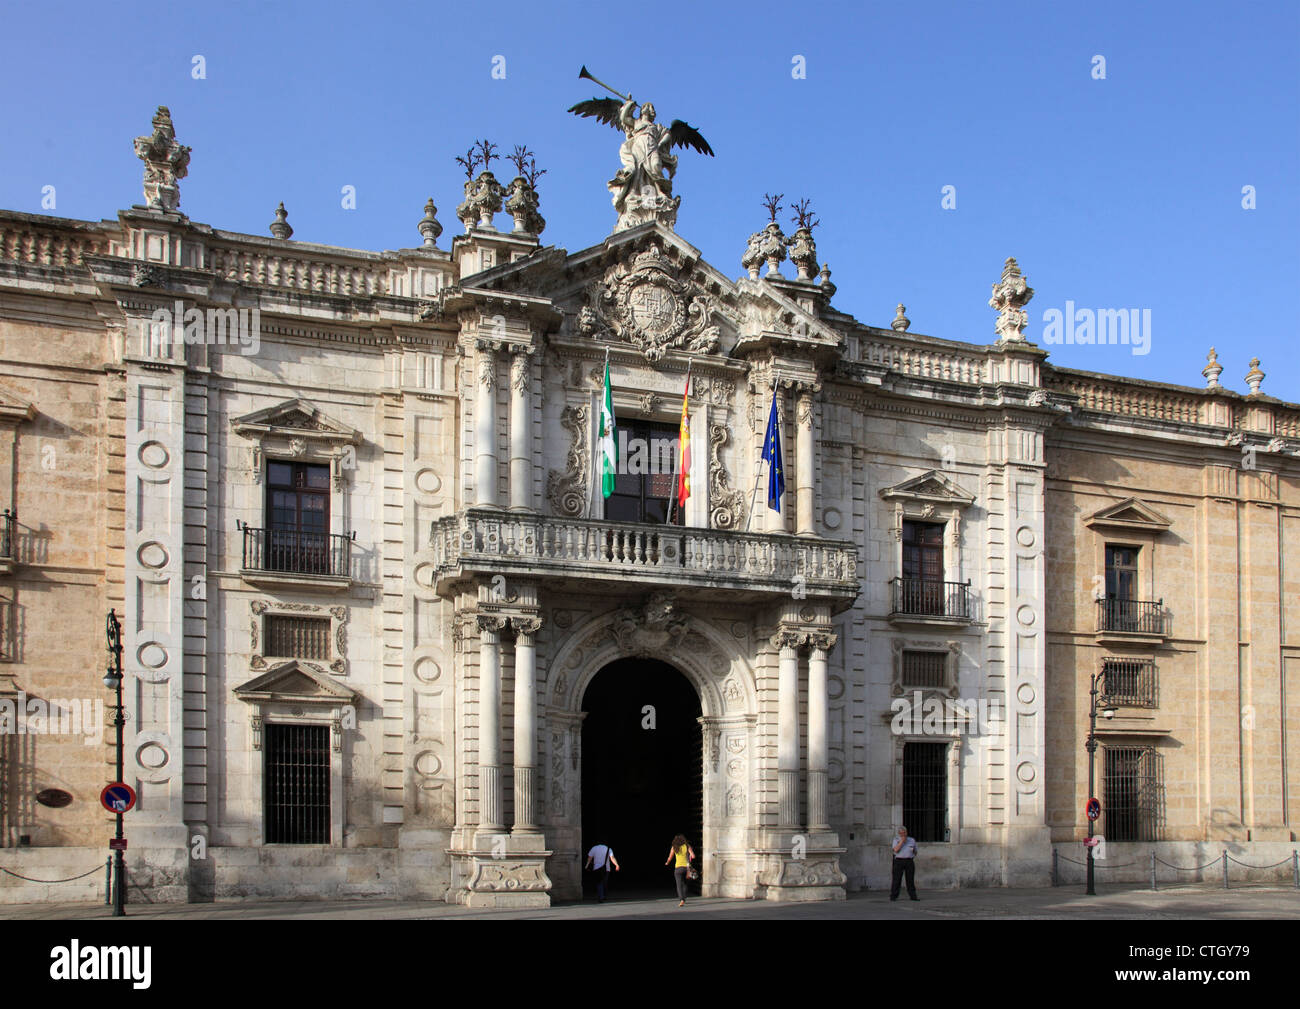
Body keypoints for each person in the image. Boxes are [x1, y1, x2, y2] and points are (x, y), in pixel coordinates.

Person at [664, 833, 696, 907]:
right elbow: (693, 856)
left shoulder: (674, 847)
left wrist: (667, 862)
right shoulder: (687, 846)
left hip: (678, 868)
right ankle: (684, 897)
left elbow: (670, 857)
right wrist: (690, 856)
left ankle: (681, 899)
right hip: (687, 868)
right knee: (685, 884)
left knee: (679, 885)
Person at [890, 826, 919, 901]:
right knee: (897, 879)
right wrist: (902, 841)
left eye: (904, 833)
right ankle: (894, 896)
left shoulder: (911, 840)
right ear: (899, 833)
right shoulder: (896, 840)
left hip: (909, 861)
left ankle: (913, 896)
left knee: (910, 879)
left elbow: (915, 852)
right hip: (898, 861)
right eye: (901, 833)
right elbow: (895, 850)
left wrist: (913, 851)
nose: (903, 834)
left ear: (907, 832)